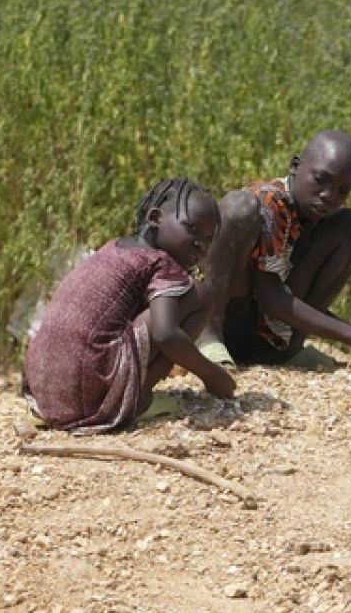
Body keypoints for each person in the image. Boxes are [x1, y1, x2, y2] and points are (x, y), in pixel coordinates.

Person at [23, 177, 237, 433]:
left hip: (44, 394)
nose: (200, 245)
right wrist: (212, 375)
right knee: (200, 296)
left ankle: (117, 392)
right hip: (87, 394)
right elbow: (165, 334)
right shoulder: (161, 262)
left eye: (208, 239)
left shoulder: (112, 248)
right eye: (192, 229)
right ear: (156, 218)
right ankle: (138, 400)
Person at [196, 130, 351, 367]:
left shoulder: (315, 217)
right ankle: (207, 334)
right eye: (320, 179)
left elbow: (285, 298)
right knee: (239, 207)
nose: (329, 195)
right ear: (295, 166)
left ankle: (288, 349)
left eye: (342, 191)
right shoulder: (270, 201)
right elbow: (270, 297)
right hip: (232, 317)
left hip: (265, 329)